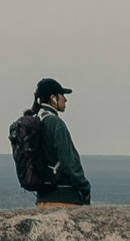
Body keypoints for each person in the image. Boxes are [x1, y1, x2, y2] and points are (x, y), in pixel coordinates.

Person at [12, 77, 90, 205]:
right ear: (53, 98)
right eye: (62, 95)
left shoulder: (36, 120)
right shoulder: (55, 123)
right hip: (64, 199)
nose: (65, 99)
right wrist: (85, 187)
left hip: (43, 198)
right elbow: (69, 162)